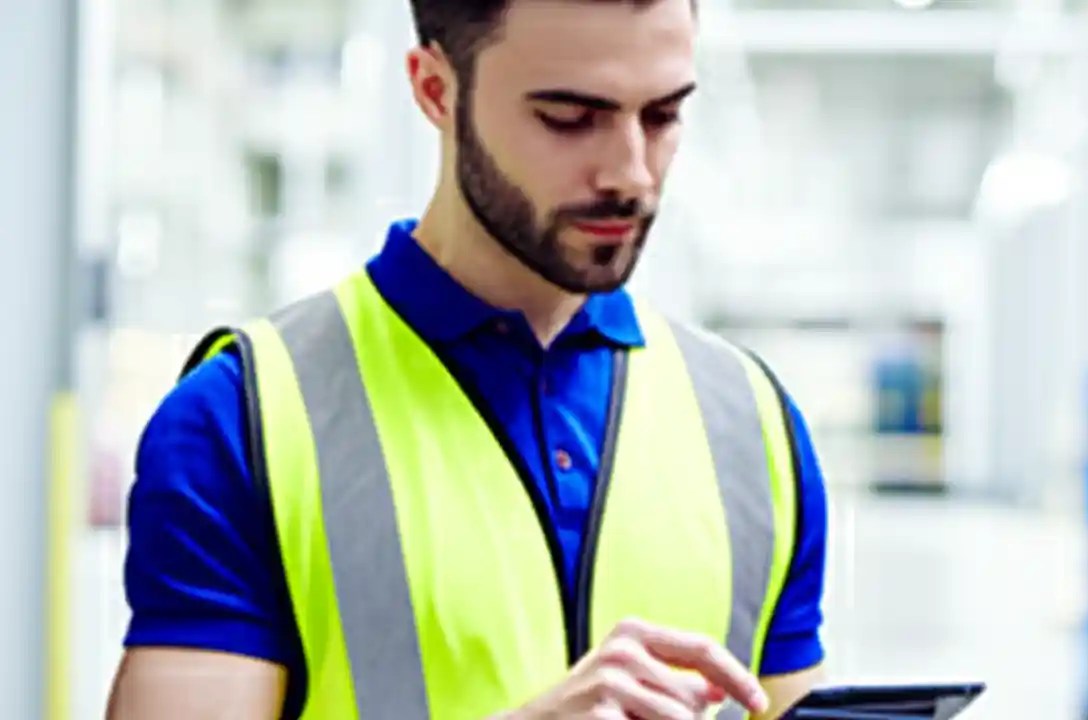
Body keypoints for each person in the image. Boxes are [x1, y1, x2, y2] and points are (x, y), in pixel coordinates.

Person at [106, 0, 829, 717]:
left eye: (663, 116)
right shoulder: (243, 419)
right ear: (435, 90)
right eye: (569, 118)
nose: (631, 173)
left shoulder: (749, 424)